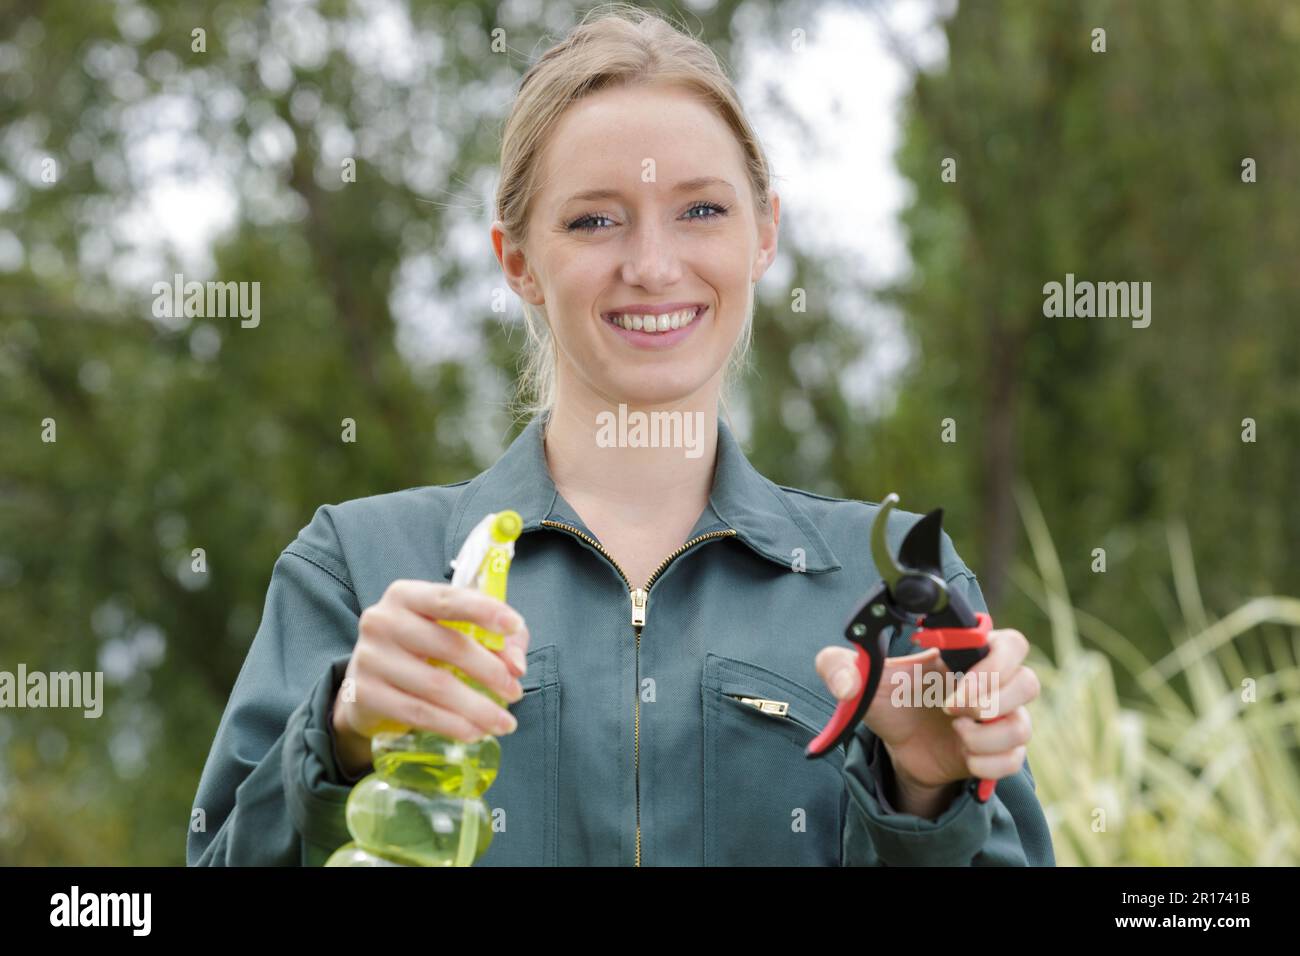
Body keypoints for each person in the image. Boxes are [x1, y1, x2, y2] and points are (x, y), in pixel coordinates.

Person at [187, 3, 1054, 867]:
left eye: (702, 210)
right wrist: (337, 741)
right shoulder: (356, 568)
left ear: (766, 235)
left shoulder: (901, 584)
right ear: (517, 261)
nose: (651, 266)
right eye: (594, 220)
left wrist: (927, 799)